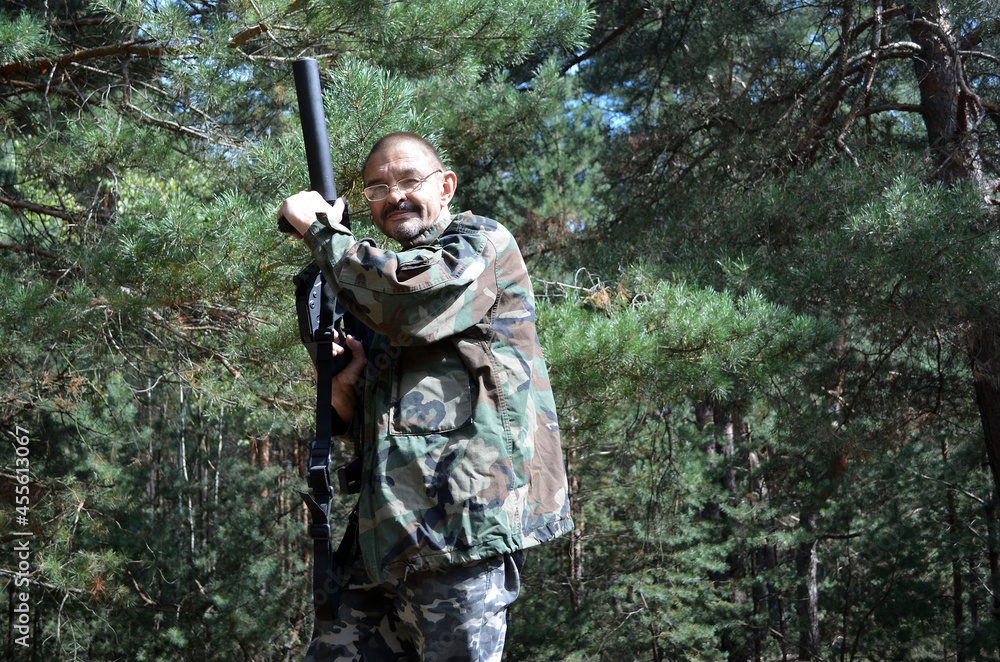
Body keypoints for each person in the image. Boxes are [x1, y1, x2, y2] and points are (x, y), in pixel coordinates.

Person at [278, 132, 573, 661]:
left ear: (446, 187)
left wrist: (320, 230)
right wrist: (345, 395)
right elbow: (369, 416)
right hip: (378, 543)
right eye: (377, 188)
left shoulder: (478, 244)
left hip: (458, 534)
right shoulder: (366, 290)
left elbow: (409, 303)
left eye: (410, 180)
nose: (395, 196)